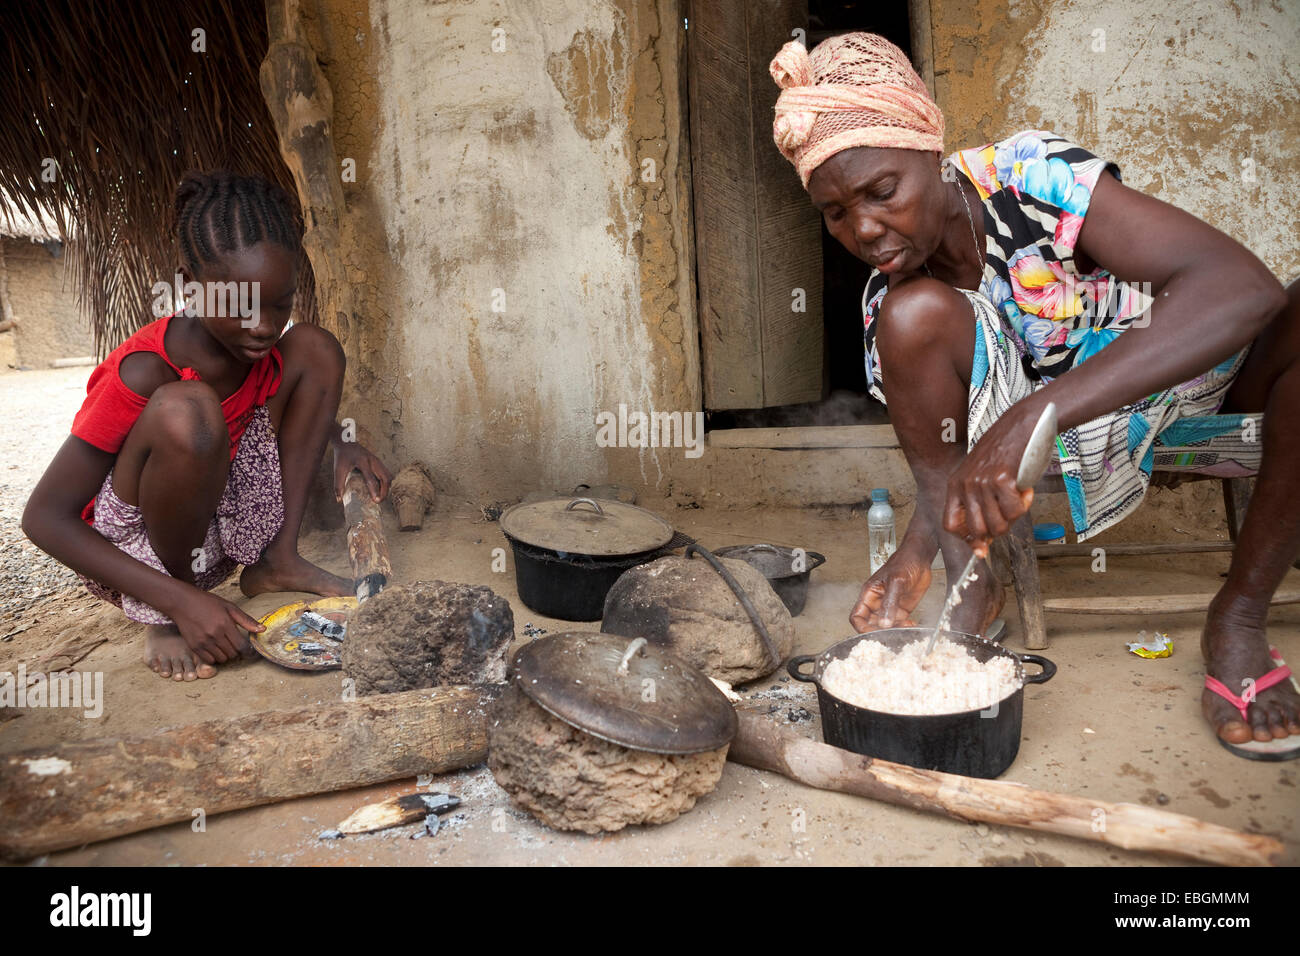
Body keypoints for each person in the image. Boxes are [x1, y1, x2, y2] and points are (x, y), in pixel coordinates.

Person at [769, 32, 1300, 759]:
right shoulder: (893, 304)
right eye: (834, 213)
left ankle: (1238, 615)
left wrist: (1033, 416)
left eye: (882, 191)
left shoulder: (1031, 179)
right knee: (911, 314)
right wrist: (919, 551)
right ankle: (973, 585)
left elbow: (1243, 289)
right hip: (1078, 433)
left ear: (931, 150)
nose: (863, 227)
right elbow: (950, 455)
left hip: (1186, 379)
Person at [22, 171, 392, 682]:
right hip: (141, 554)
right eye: (241, 305)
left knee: (316, 346)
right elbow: (43, 518)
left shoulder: (256, 346)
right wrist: (181, 599)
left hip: (227, 522)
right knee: (188, 410)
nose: (263, 326)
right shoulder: (144, 369)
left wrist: (337, 439)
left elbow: (275, 401)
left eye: (279, 304)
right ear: (191, 286)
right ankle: (169, 611)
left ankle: (277, 560)